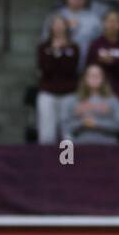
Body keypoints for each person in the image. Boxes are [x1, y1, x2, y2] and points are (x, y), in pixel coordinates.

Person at [36, 17, 79, 145]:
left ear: (66, 27)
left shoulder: (74, 48)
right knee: (46, 132)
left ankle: (67, 162)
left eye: (62, 24)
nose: (59, 27)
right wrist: (55, 51)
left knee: (68, 132)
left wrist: (62, 52)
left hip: (68, 92)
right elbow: (46, 69)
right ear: (51, 28)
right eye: (56, 24)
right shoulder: (43, 47)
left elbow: (70, 70)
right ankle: (46, 161)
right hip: (48, 92)